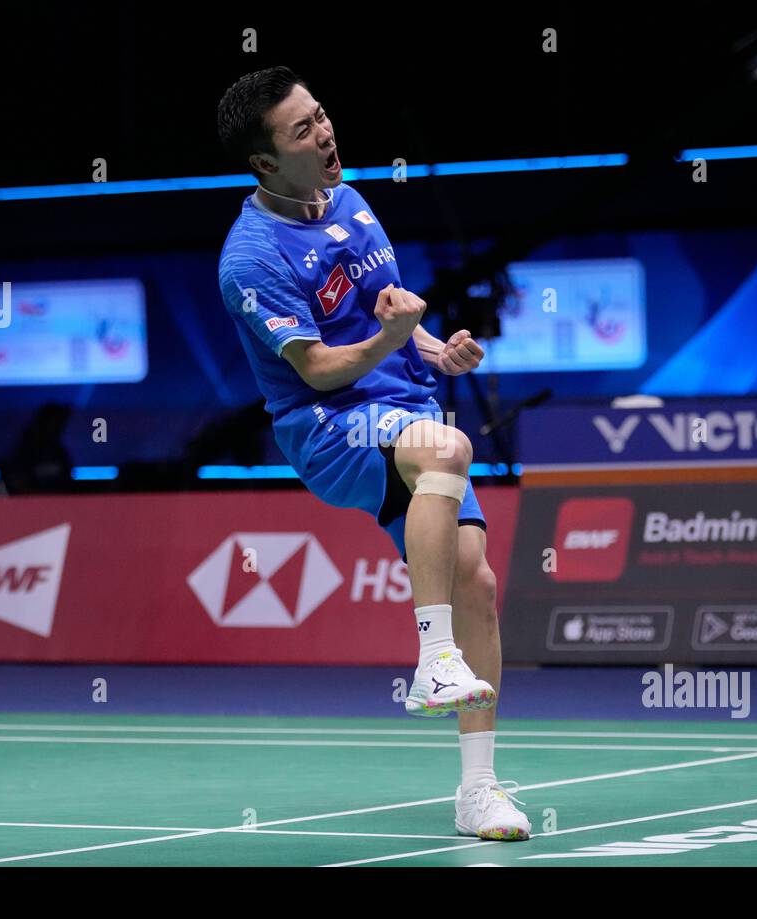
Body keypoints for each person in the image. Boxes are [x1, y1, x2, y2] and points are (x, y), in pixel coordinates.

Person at [216, 67, 529, 840]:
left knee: (478, 582)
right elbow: (318, 367)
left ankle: (478, 790)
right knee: (446, 447)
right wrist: (393, 339)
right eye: (301, 130)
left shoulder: (351, 201)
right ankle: (432, 656)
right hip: (326, 426)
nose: (324, 133)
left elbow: (388, 313)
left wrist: (431, 350)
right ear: (264, 163)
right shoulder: (250, 257)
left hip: (403, 408)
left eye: (320, 115)